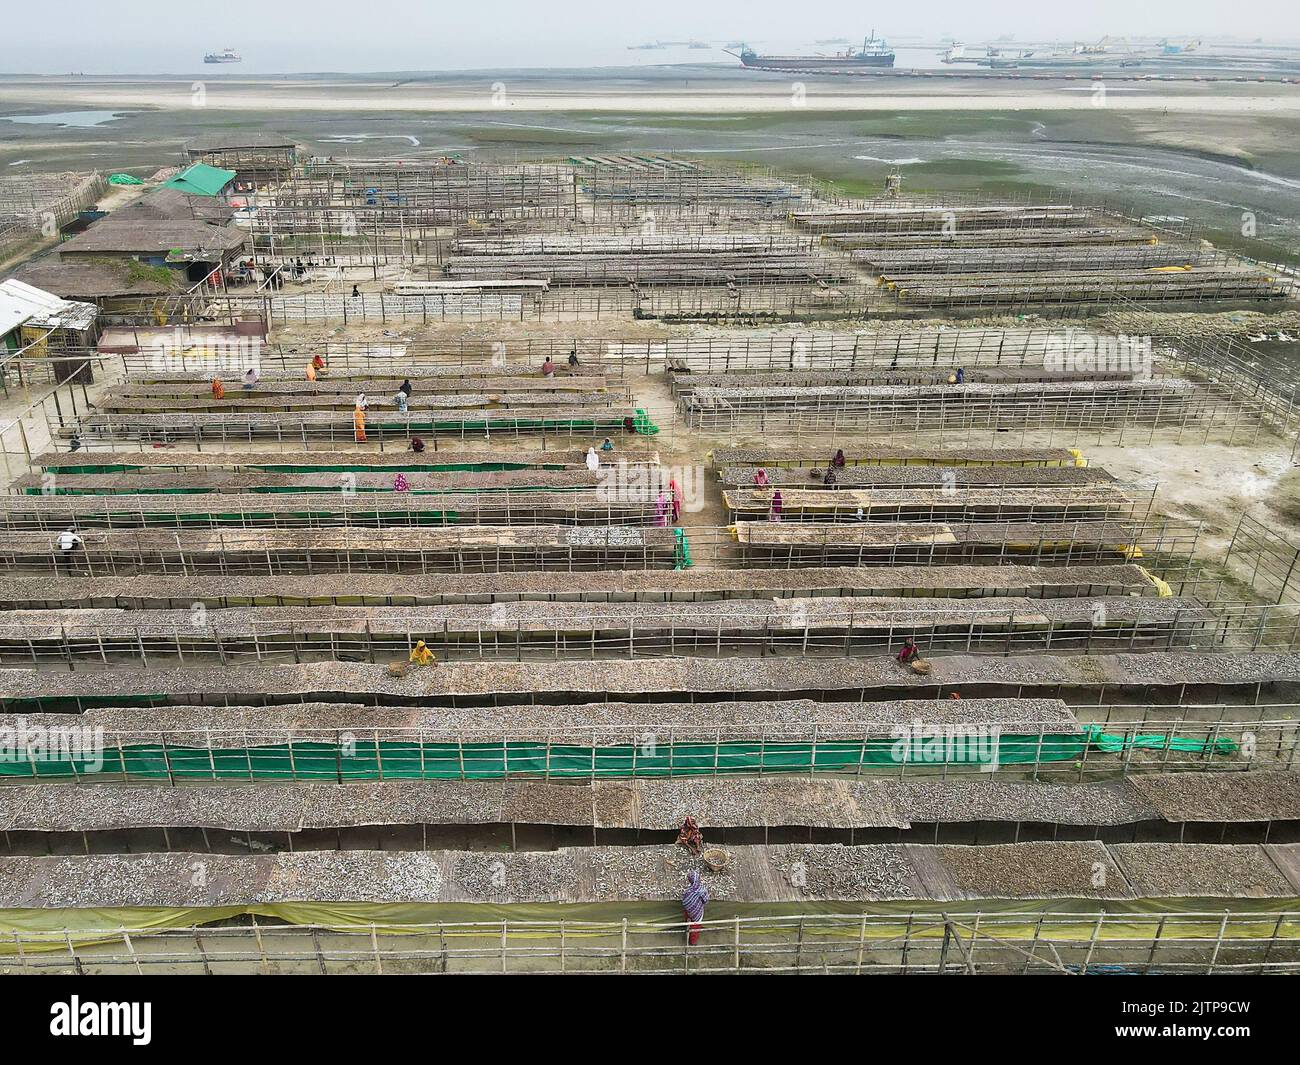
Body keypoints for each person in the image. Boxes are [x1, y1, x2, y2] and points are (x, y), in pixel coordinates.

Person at [682, 869, 709, 947]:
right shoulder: (702, 890)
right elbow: (706, 900)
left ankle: (687, 930)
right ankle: (692, 942)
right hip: (697, 913)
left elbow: (685, 901)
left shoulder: (688, 891)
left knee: (688, 922)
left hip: (688, 911)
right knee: (695, 928)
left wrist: (690, 907)